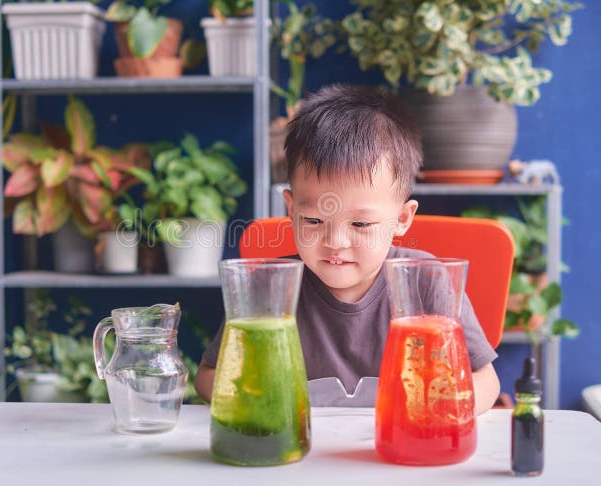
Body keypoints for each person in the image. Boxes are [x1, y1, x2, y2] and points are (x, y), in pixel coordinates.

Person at [193, 84, 500, 414]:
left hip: (399, 451)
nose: (335, 242)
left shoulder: (427, 281)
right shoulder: (268, 287)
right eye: (313, 220)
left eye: (360, 224)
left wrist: (441, 409)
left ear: (401, 218)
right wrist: (257, 399)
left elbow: (486, 379)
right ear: (290, 209)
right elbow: (207, 376)